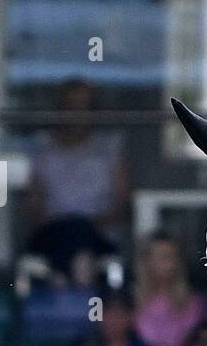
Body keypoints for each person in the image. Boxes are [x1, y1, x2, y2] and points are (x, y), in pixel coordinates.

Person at [25, 79, 130, 286]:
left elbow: (123, 202)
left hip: (98, 233)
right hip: (53, 233)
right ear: (59, 110)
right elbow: (32, 203)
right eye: (71, 107)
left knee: (79, 231)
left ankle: (62, 284)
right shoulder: (43, 147)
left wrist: (92, 223)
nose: (78, 115)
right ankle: (81, 289)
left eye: (85, 108)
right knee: (72, 233)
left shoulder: (110, 146)